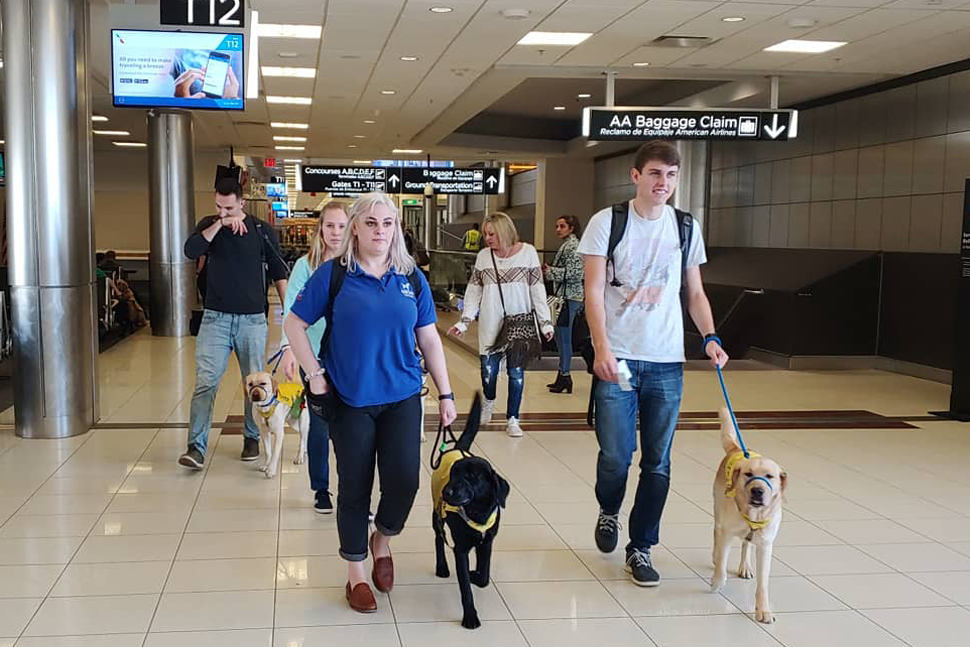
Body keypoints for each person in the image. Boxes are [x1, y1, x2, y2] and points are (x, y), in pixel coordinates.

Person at [284, 192, 457, 614]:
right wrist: (315, 373)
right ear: (355, 229)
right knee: (355, 486)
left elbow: (429, 337)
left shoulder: (409, 276)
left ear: (396, 229)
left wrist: (447, 392)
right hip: (350, 399)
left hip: (401, 397)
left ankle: (382, 539)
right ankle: (356, 573)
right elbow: (294, 322)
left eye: (388, 223)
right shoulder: (333, 275)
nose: (381, 231)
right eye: (372, 223)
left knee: (404, 481)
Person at [579, 140, 728, 586]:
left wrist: (710, 336)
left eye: (671, 176)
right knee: (616, 455)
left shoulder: (685, 227)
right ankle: (609, 509)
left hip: (666, 362)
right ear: (636, 176)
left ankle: (641, 546)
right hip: (620, 359)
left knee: (658, 461)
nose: (663, 183)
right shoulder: (608, 222)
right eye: (656, 174)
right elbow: (591, 292)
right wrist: (602, 348)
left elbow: (695, 292)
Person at [179, 179, 289, 469]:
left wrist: (289, 314)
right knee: (206, 381)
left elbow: (278, 271)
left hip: (252, 320)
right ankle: (196, 446)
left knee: (254, 382)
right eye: (218, 206)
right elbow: (191, 250)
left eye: (229, 207)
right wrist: (219, 224)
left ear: (242, 202)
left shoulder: (261, 230)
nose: (223, 211)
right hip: (215, 318)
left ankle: (252, 437)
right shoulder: (209, 225)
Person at [448, 212, 554, 437]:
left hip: (519, 324)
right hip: (490, 323)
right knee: (489, 371)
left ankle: (513, 418)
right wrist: (465, 321)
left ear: (505, 231)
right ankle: (489, 400)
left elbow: (537, 290)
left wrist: (545, 323)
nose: (487, 238)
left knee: (516, 373)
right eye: (486, 234)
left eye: (491, 234)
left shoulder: (528, 253)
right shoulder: (484, 257)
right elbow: (474, 291)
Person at [279, 202, 349, 514]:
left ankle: (353, 490)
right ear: (320, 229)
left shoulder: (357, 265)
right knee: (319, 426)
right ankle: (321, 488)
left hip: (349, 357)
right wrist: (288, 349)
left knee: (352, 429)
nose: (335, 233)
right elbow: (291, 313)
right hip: (313, 357)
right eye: (330, 226)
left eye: (342, 226)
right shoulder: (306, 267)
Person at [543, 215, 585, 394]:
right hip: (566, 297)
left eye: (562, 226)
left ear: (571, 228)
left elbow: (576, 273)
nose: (558, 229)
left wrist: (551, 272)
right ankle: (562, 374)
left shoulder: (572, 246)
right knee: (561, 337)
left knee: (564, 338)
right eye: (557, 226)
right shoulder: (569, 245)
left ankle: (565, 375)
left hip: (569, 298)